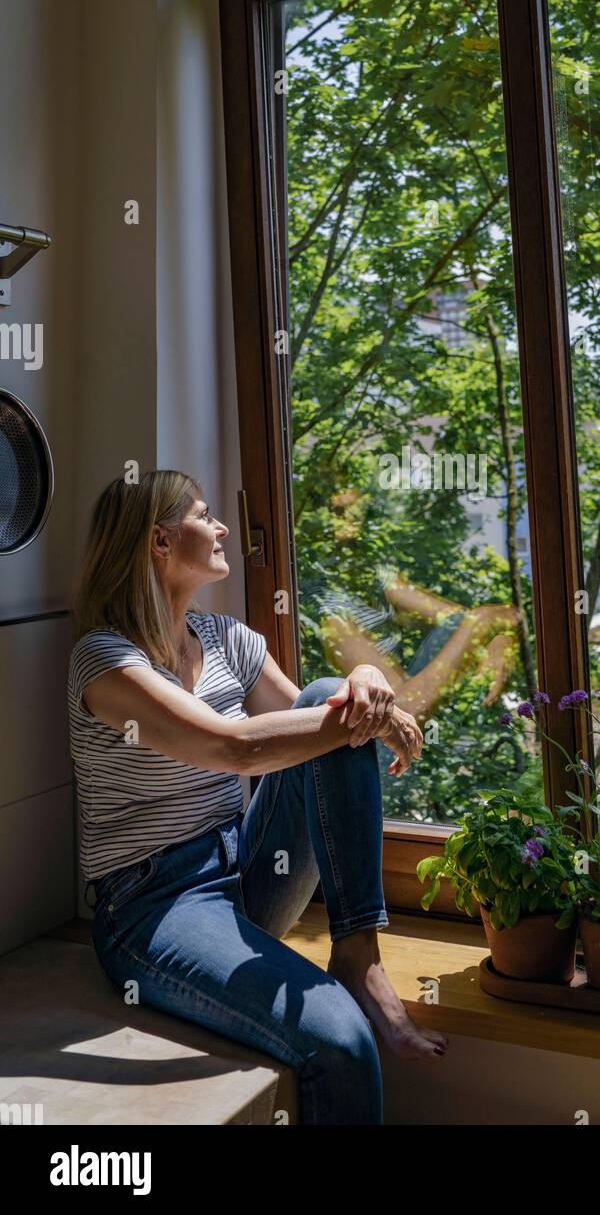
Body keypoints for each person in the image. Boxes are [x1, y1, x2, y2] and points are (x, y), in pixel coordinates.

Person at [67, 469, 449, 1126]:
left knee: (332, 692)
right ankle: (350, 992)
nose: (221, 529)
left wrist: (362, 681)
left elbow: (317, 723)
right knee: (344, 1042)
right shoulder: (104, 660)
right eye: (205, 515)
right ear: (160, 541)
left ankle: (359, 954)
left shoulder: (223, 639)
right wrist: (371, 710)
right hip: (155, 905)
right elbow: (235, 748)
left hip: (246, 870)